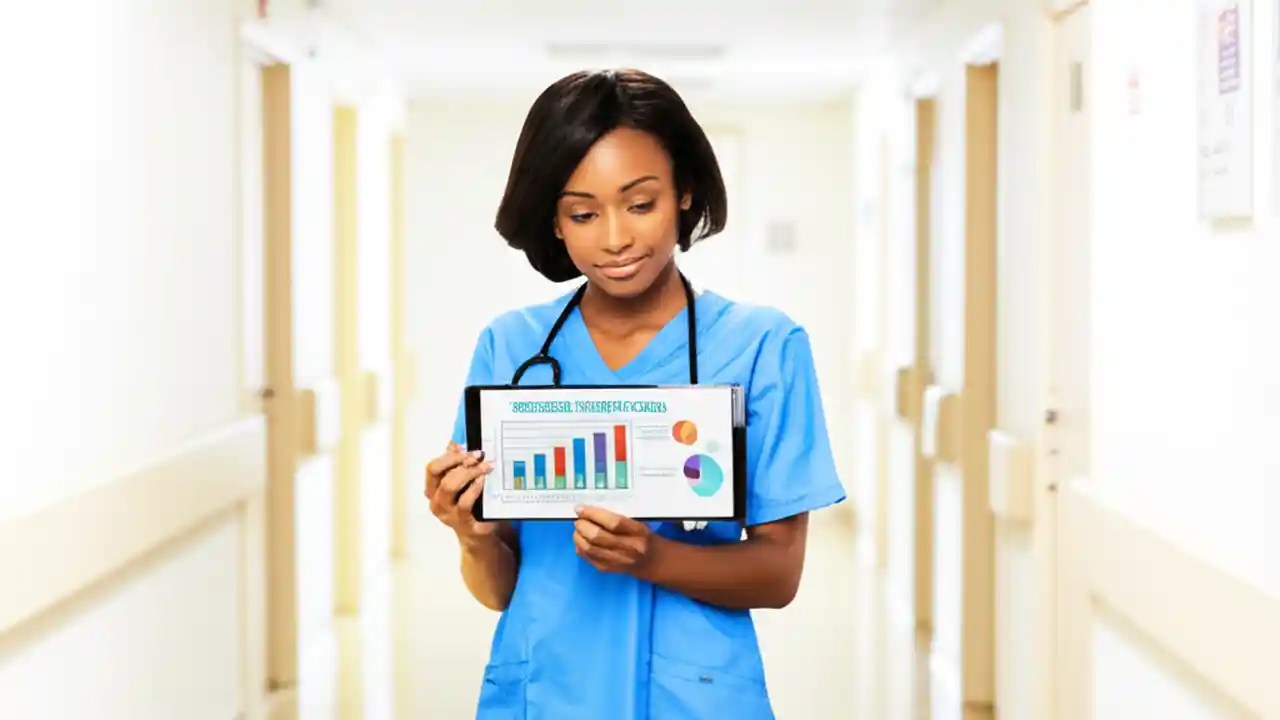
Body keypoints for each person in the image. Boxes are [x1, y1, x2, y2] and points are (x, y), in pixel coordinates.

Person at [423, 68, 845, 720]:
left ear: (684, 194)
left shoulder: (763, 345)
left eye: (640, 204)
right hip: (546, 694)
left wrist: (653, 557)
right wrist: (471, 535)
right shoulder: (511, 348)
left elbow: (779, 573)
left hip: (696, 699)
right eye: (583, 213)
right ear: (554, 222)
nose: (615, 238)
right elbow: (500, 591)